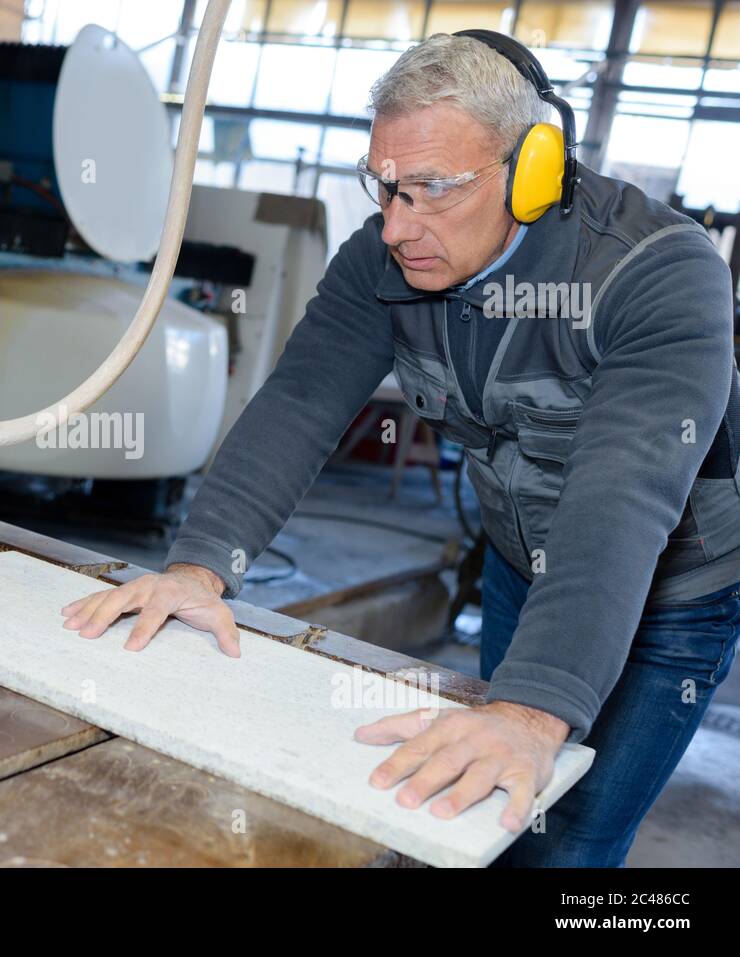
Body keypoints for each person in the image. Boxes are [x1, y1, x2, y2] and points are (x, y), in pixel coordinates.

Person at [61, 30, 740, 867]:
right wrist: (200, 565)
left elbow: (621, 498)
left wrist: (532, 710)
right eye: (383, 187)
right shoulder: (386, 259)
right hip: (524, 566)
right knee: (486, 810)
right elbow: (301, 402)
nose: (395, 225)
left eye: (431, 190)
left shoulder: (658, 274)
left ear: (532, 169)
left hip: (670, 590)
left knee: (566, 829)